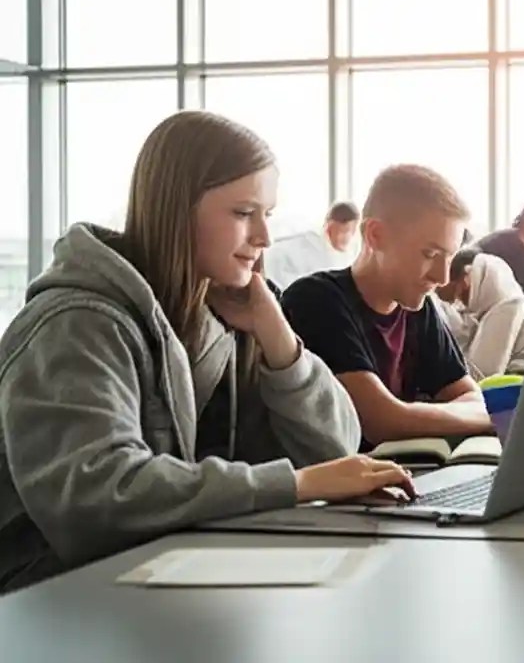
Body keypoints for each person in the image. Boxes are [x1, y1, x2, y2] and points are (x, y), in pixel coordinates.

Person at [0, 111, 412, 592]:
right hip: (45, 601)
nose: (264, 237)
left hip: (160, 576)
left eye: (268, 215)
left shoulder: (229, 315)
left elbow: (334, 452)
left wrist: (280, 344)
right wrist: (295, 485)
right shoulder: (76, 324)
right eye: (243, 213)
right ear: (177, 209)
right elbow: (96, 496)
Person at [282, 164, 491, 447]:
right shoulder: (316, 300)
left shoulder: (419, 308)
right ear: (375, 236)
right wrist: (491, 417)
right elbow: (379, 422)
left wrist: (410, 415)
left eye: (449, 257)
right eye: (430, 254)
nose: (441, 277)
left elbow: (472, 399)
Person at [434, 249, 524, 379]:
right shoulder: (483, 312)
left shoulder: (506, 307)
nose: (458, 301)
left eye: (456, 292)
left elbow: (481, 374)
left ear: (468, 277)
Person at [265, 201, 361, 289]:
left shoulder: (353, 253)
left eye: (354, 232)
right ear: (330, 227)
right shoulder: (301, 247)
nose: (351, 238)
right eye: (346, 231)